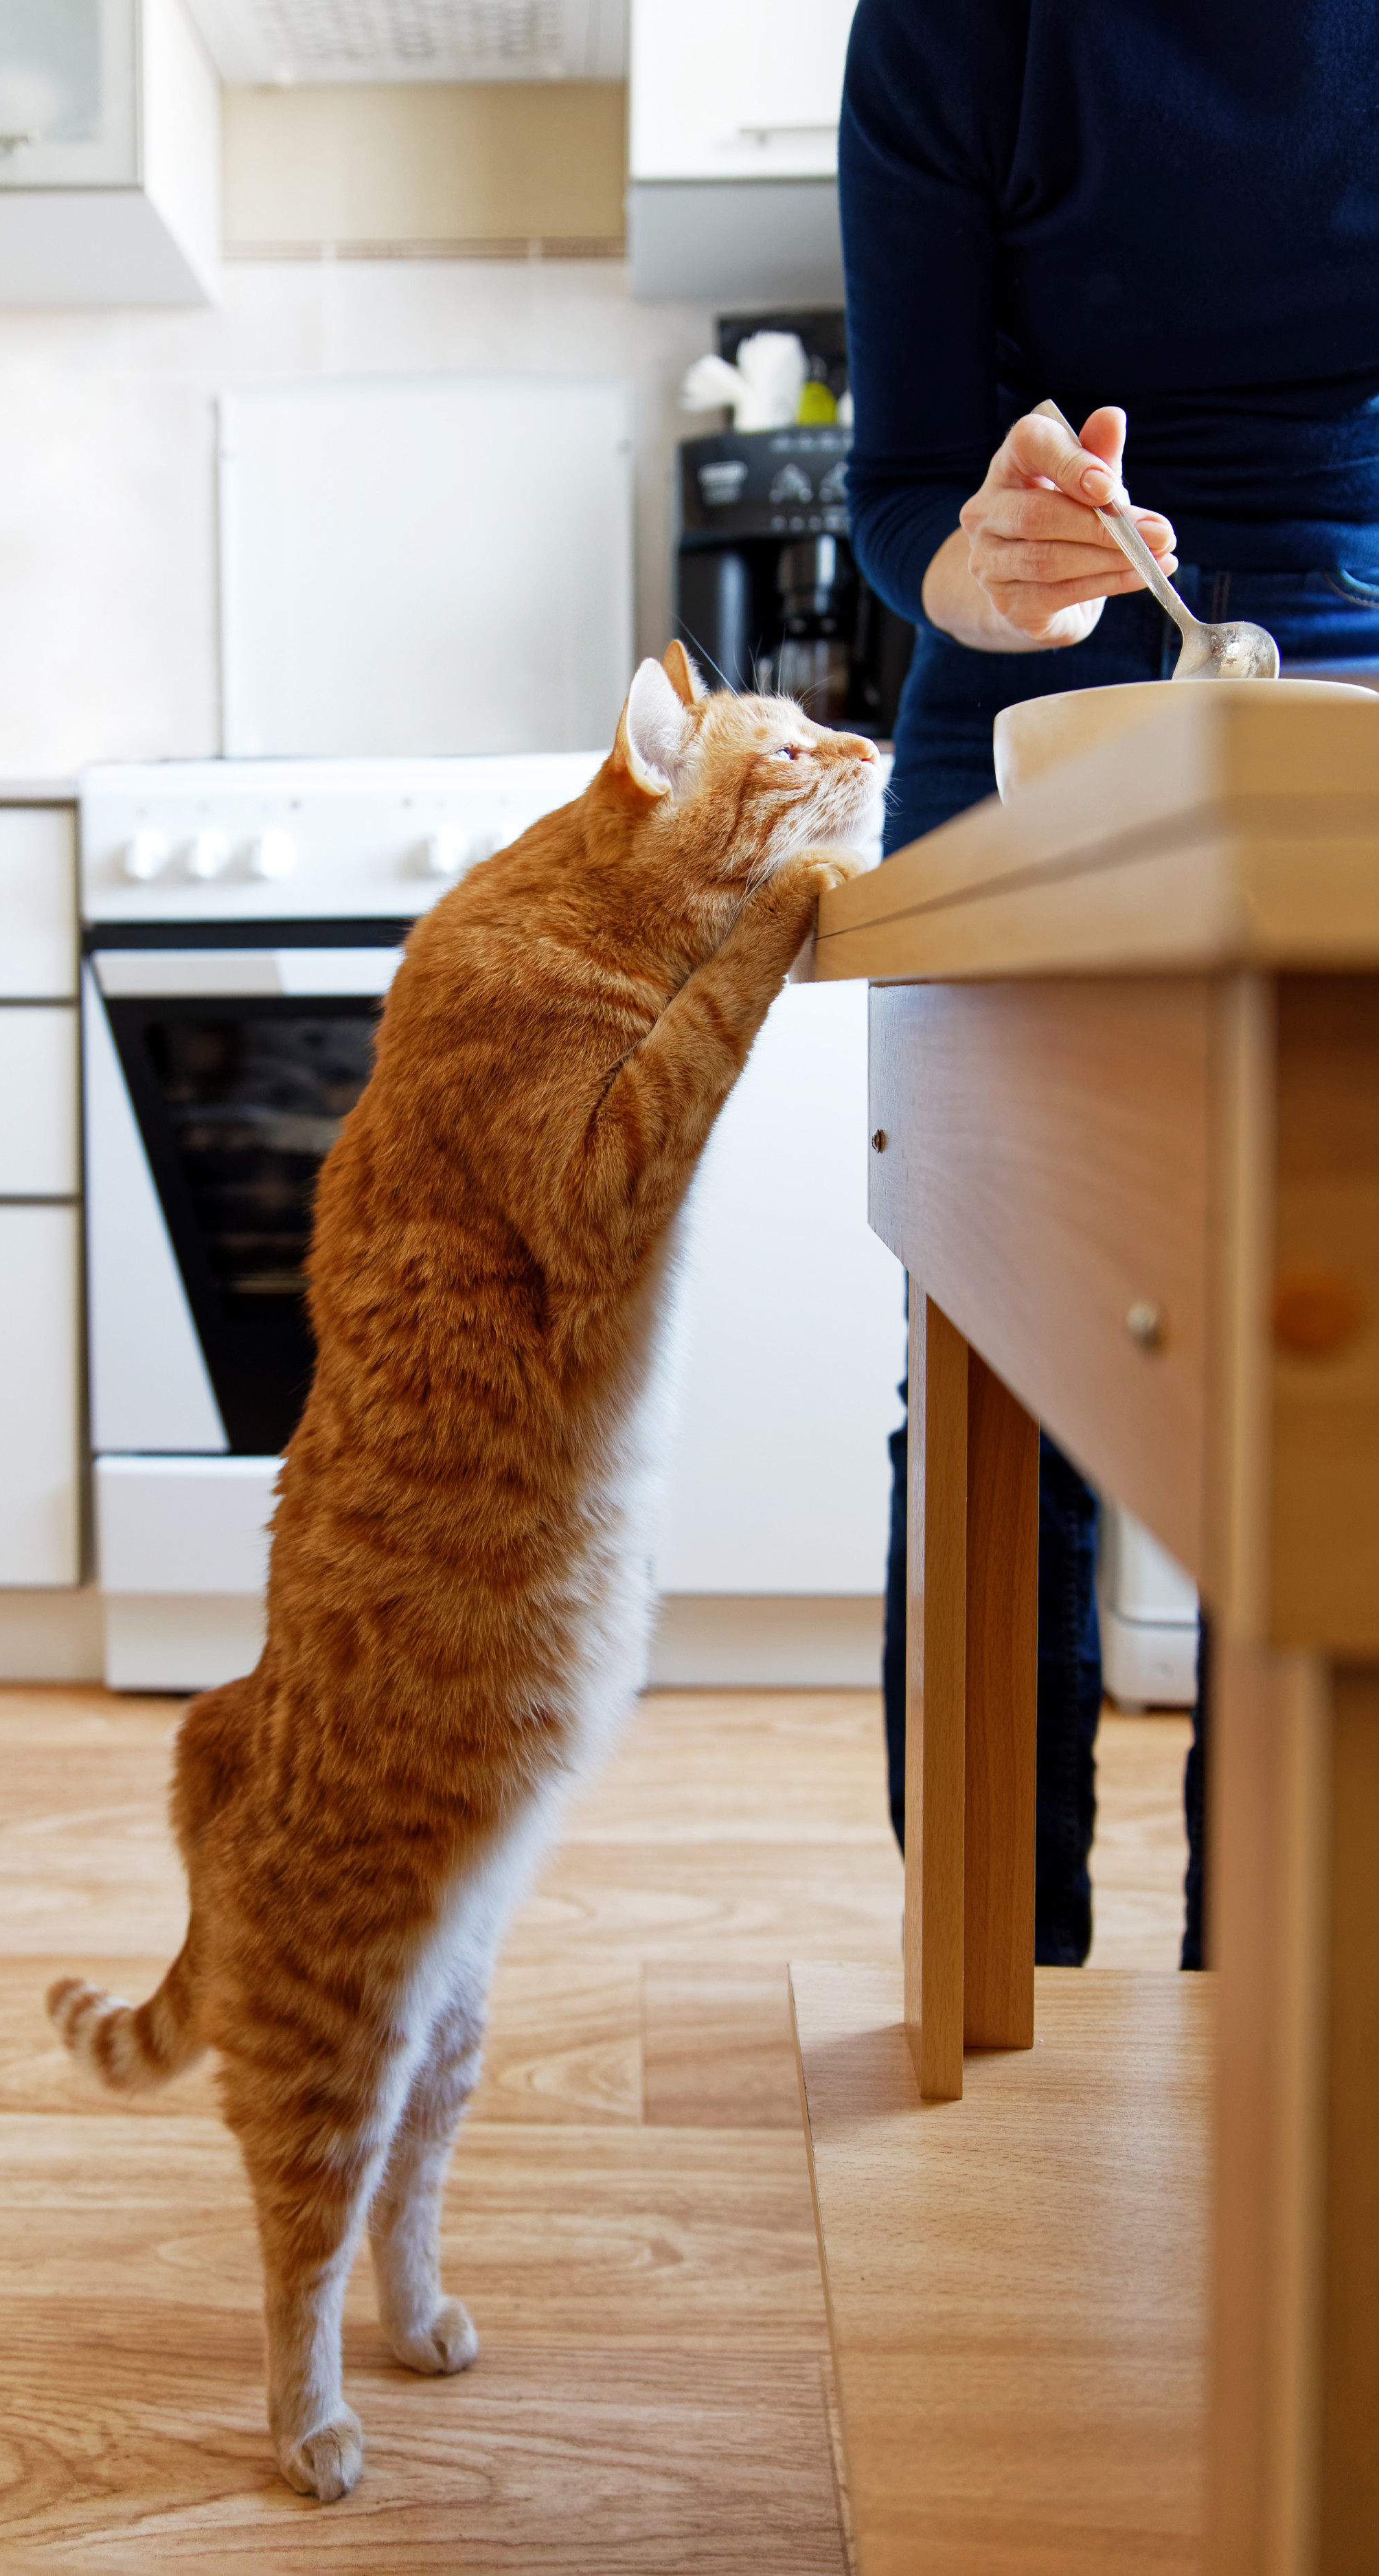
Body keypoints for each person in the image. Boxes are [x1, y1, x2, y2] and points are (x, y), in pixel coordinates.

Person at [837, 0, 1379, 1968]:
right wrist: (989, 576)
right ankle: (998, 2005)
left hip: (1348, 713)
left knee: (1324, 1375)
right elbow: (902, 483)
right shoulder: (950, 31)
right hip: (1017, 734)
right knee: (1000, 1370)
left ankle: (1276, 2000)